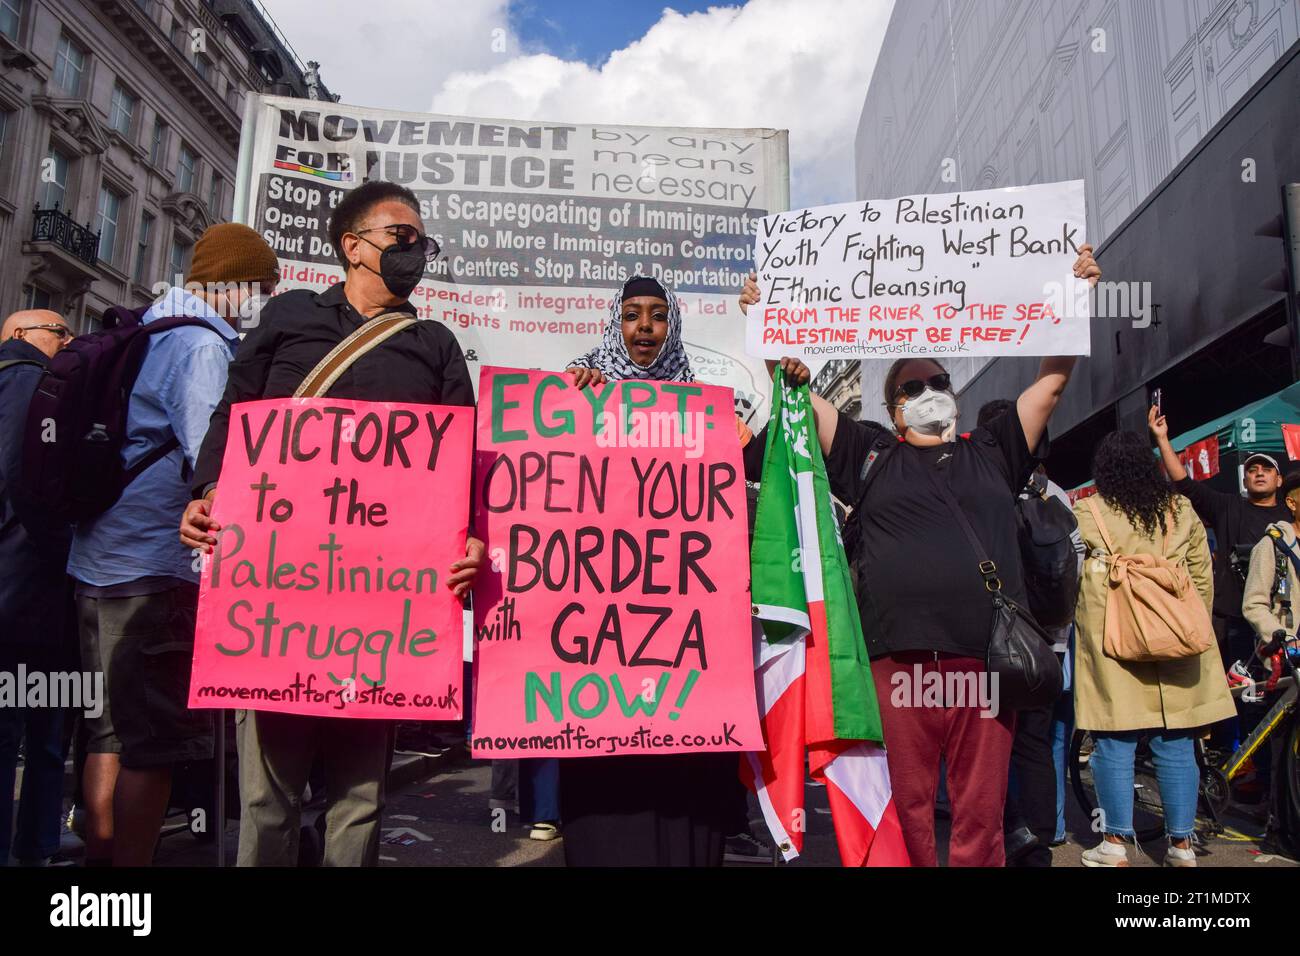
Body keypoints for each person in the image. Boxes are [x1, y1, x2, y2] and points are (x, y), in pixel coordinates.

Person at [739, 245, 1100, 867]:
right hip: (898, 666)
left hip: (982, 662)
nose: (929, 390)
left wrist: (1075, 298)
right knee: (905, 809)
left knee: (980, 815)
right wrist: (766, 322)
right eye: (914, 385)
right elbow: (799, 390)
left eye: (938, 381)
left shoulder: (994, 447)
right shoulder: (869, 454)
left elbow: (1053, 380)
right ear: (893, 404)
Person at [181, 180, 483, 867]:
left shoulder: (435, 344)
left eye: (421, 241)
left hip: (384, 612)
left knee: (360, 799)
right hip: (276, 601)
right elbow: (235, 413)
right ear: (353, 247)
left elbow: (461, 458)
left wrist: (471, 536)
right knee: (266, 800)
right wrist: (205, 492)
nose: (416, 251)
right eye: (400, 237)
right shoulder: (289, 318)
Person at [69, 224, 278, 866]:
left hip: (97, 560)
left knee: (107, 733)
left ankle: (100, 880)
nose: (263, 301)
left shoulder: (146, 330)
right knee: (153, 744)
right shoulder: (201, 348)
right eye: (261, 288)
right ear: (235, 283)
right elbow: (212, 461)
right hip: (156, 567)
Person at [559, 273, 752, 866]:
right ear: (614, 322)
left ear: (674, 326)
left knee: (683, 795)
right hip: (601, 640)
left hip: (683, 642)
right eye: (631, 315)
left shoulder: (706, 406)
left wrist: (735, 448)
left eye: (658, 316)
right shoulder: (577, 389)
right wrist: (571, 400)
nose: (644, 328)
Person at [1073, 431, 1234, 867]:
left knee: (1114, 740)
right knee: (1177, 741)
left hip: (1114, 641)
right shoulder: (1181, 510)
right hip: (1176, 641)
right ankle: (1181, 847)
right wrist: (1185, 622)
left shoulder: (1088, 513)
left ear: (1103, 471)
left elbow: (1067, 577)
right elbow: (1203, 573)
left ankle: (1114, 844)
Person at [0, 310, 77, 865]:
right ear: (22, 335)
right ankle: (33, 847)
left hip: (19, 582)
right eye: (59, 329)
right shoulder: (25, 379)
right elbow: (21, 475)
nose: (70, 338)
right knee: (40, 726)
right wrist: (63, 545)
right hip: (29, 582)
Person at [1240, 469, 1300, 857]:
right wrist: (1279, 634)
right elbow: (1254, 603)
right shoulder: (1274, 545)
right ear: (1292, 501)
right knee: (1283, 752)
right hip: (1288, 659)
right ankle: (1281, 831)